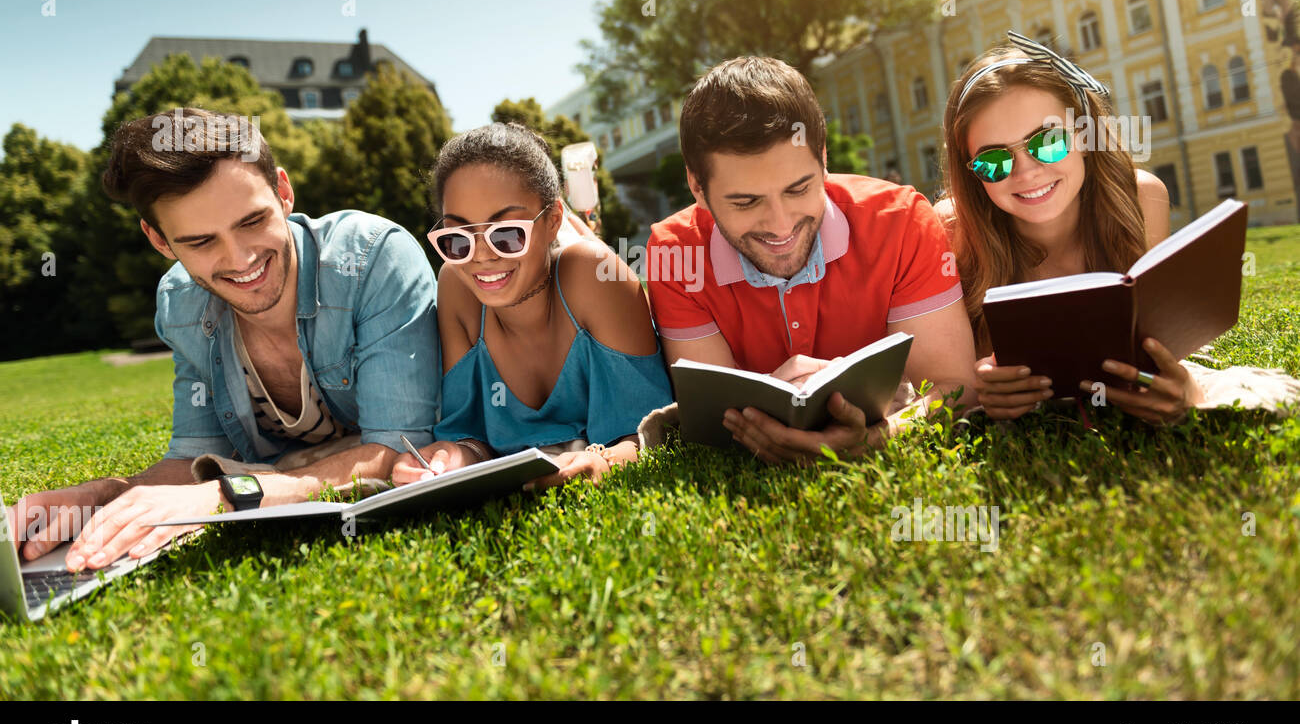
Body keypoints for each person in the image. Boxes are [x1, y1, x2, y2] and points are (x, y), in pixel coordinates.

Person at [6, 108, 439, 570]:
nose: (241, 259)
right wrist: (103, 496)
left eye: (252, 221)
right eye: (200, 242)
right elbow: (193, 456)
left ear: (284, 192)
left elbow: (398, 452)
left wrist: (226, 495)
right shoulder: (181, 303)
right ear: (159, 240)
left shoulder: (372, 259)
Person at [937, 32, 1300, 422]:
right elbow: (953, 376)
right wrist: (985, 389)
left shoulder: (1141, 199)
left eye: (1048, 141)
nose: (1027, 172)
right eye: (994, 161)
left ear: (1084, 133)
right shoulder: (952, 229)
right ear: (972, 172)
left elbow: (1157, 347)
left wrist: (1182, 390)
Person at [645, 57, 978, 464]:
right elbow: (715, 422)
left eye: (798, 189)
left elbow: (955, 387)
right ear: (697, 186)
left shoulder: (903, 220)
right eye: (746, 202)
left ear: (823, 157)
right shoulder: (676, 253)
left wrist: (880, 437)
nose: (780, 225)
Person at [391, 122, 673, 491]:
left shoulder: (593, 274)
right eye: (457, 239)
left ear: (554, 220)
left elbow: (657, 432)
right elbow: (471, 437)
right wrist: (448, 458)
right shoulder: (456, 286)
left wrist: (604, 462)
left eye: (507, 234)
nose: (480, 256)